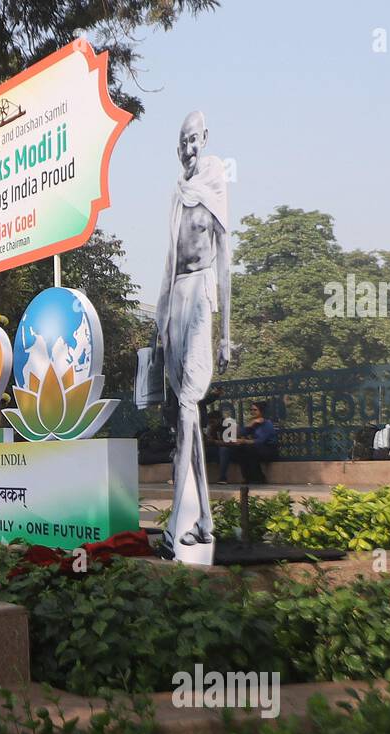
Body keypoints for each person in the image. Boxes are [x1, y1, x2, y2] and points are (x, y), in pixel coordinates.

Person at [152, 111, 231, 558]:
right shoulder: (177, 195)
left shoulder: (216, 185)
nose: (187, 148)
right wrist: (159, 322)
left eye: (193, 140)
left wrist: (225, 334)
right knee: (187, 412)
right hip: (176, 300)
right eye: (181, 142)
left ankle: (173, 526)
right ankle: (204, 519)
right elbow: (169, 260)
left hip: (201, 294)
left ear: (205, 138)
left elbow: (225, 263)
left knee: (186, 406)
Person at [229, 402, 279, 483]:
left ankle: (259, 478)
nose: (252, 412)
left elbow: (260, 441)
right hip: (256, 449)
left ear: (261, 411)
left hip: (269, 450)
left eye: (255, 410)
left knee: (249, 449)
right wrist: (250, 425)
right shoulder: (254, 423)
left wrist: (244, 441)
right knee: (240, 449)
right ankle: (247, 477)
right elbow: (241, 433)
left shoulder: (267, 424)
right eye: (251, 410)